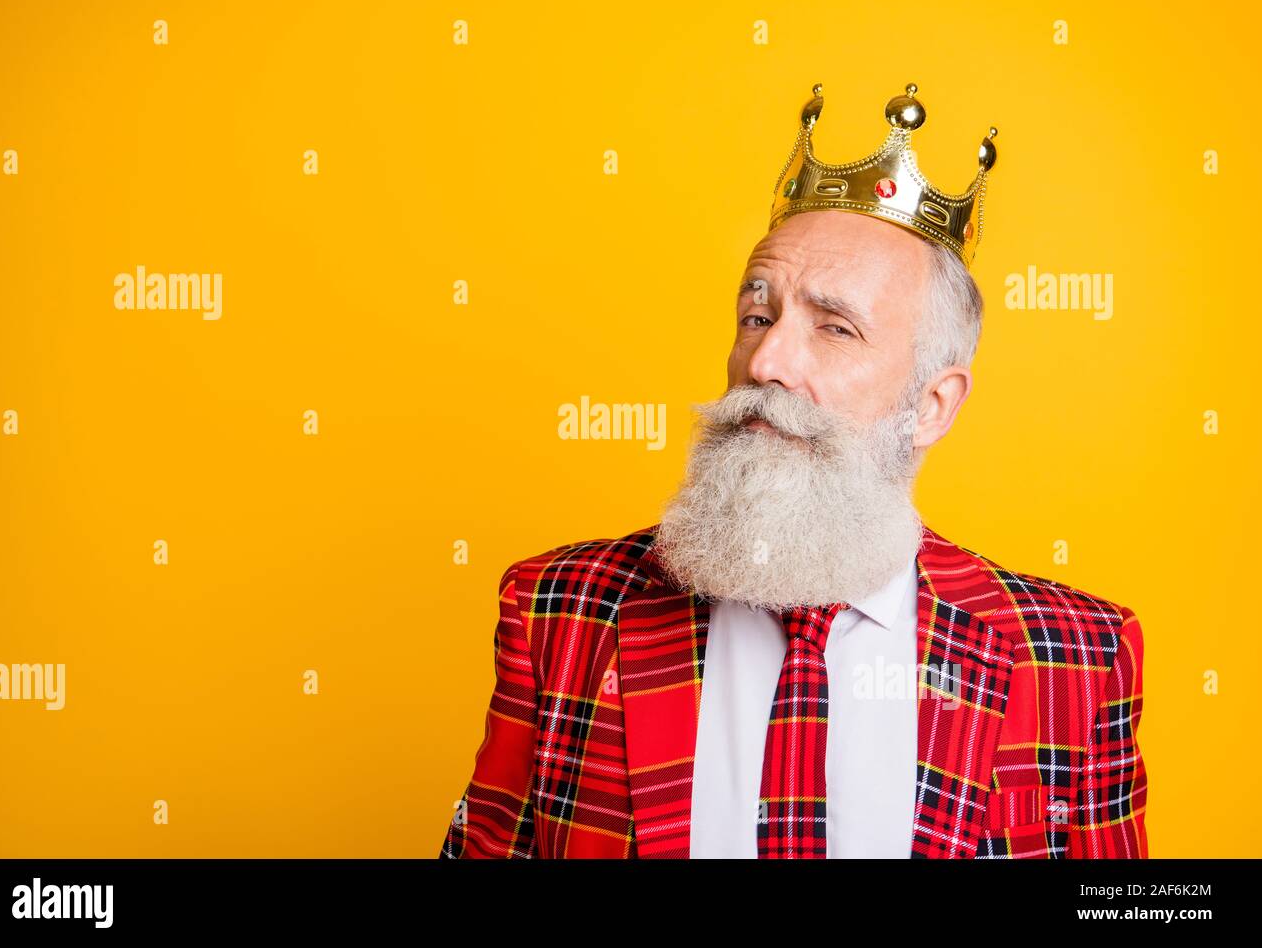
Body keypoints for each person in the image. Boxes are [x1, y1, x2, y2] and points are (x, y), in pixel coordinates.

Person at [439, 83, 1147, 859]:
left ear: (933, 405)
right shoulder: (559, 612)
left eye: (835, 328)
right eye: (756, 316)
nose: (766, 362)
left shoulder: (1076, 653)